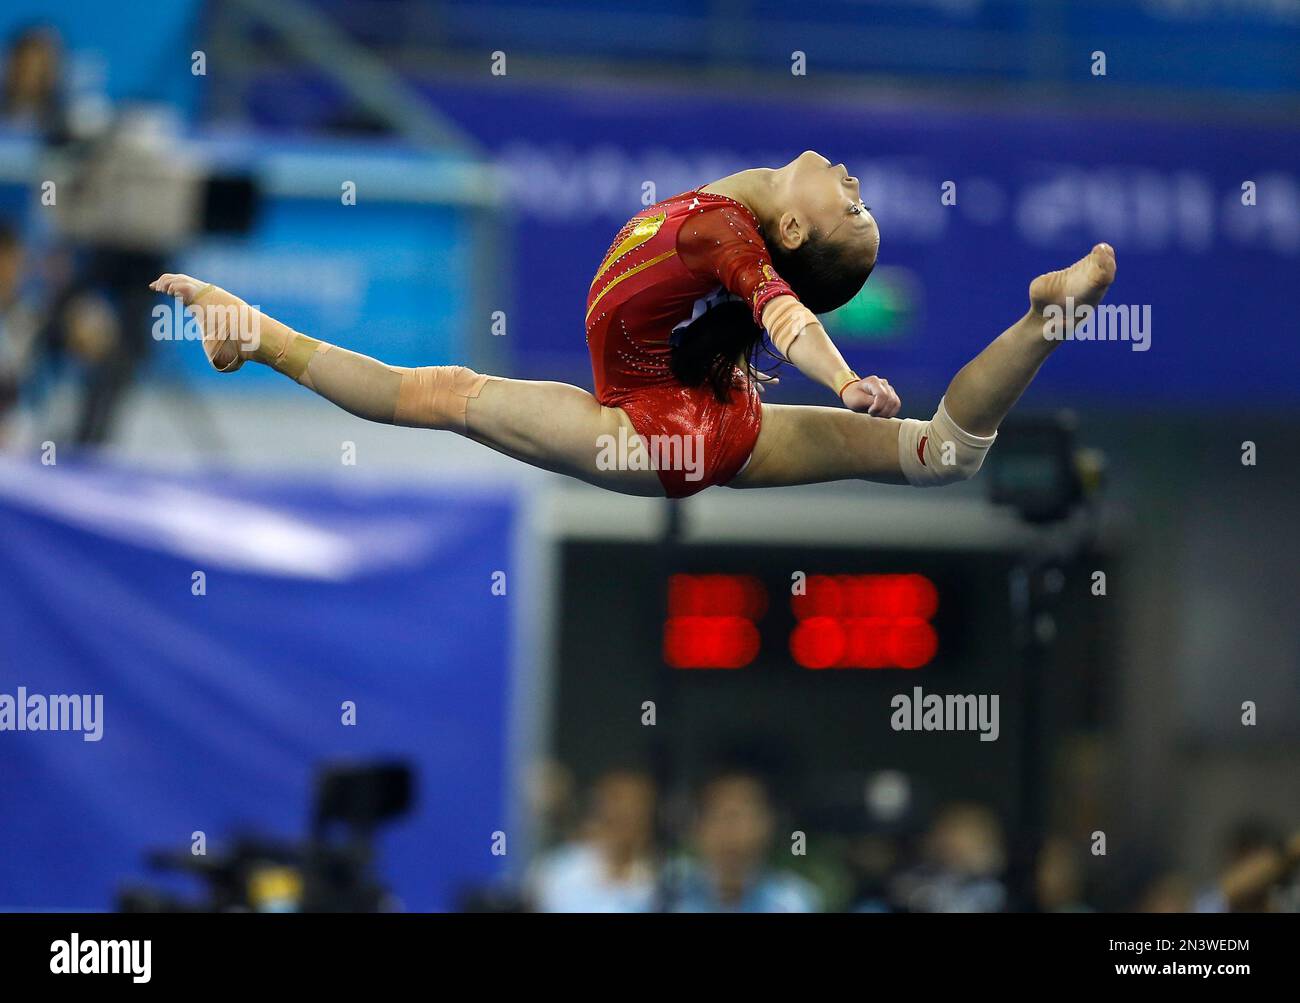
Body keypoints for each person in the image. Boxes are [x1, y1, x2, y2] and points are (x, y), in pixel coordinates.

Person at [150, 150, 1116, 496]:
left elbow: (781, 313)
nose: (858, 189)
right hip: (706, 404)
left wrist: (844, 380)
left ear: (789, 228)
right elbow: (767, 308)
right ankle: (1045, 323)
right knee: (942, 457)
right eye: (863, 207)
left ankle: (258, 333)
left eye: (853, 213)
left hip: (662, 437)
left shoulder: (730, 238)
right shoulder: (744, 216)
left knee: (441, 396)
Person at [672, 770, 819, 912]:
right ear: (696, 827)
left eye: (744, 817)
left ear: (768, 825)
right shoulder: (666, 897)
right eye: (720, 816)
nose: (731, 833)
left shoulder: (792, 902)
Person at [528, 769, 658, 913]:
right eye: (617, 813)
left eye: (634, 813)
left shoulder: (666, 879)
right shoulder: (556, 873)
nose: (625, 820)